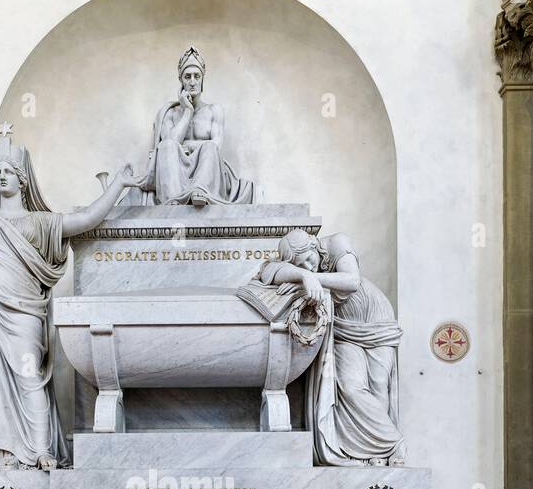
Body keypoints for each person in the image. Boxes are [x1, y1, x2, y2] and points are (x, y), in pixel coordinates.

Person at [0, 127, 142, 469]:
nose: (1, 177)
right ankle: (1, 456)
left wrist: (117, 185)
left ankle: (40, 451)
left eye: (7, 171)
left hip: (23, 313)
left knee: (29, 377)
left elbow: (85, 219)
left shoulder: (40, 222)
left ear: (21, 179)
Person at [248, 228, 405, 465]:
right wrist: (302, 276)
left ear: (314, 244)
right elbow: (268, 271)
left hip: (375, 318)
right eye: (302, 266)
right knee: (352, 388)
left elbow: (351, 281)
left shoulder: (337, 243)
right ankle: (393, 443)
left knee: (379, 386)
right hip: (341, 326)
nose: (310, 266)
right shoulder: (302, 273)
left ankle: (378, 454)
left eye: (309, 260)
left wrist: (311, 279)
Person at [135, 46, 254, 205]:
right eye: (187, 76)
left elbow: (216, 146)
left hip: (207, 173)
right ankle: (173, 199)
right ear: (181, 81)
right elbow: (169, 145)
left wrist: (186, 146)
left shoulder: (214, 110)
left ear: (202, 79)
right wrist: (188, 112)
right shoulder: (169, 113)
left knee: (210, 148)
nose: (192, 82)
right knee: (167, 146)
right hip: (174, 177)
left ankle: (200, 191)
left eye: (196, 76)